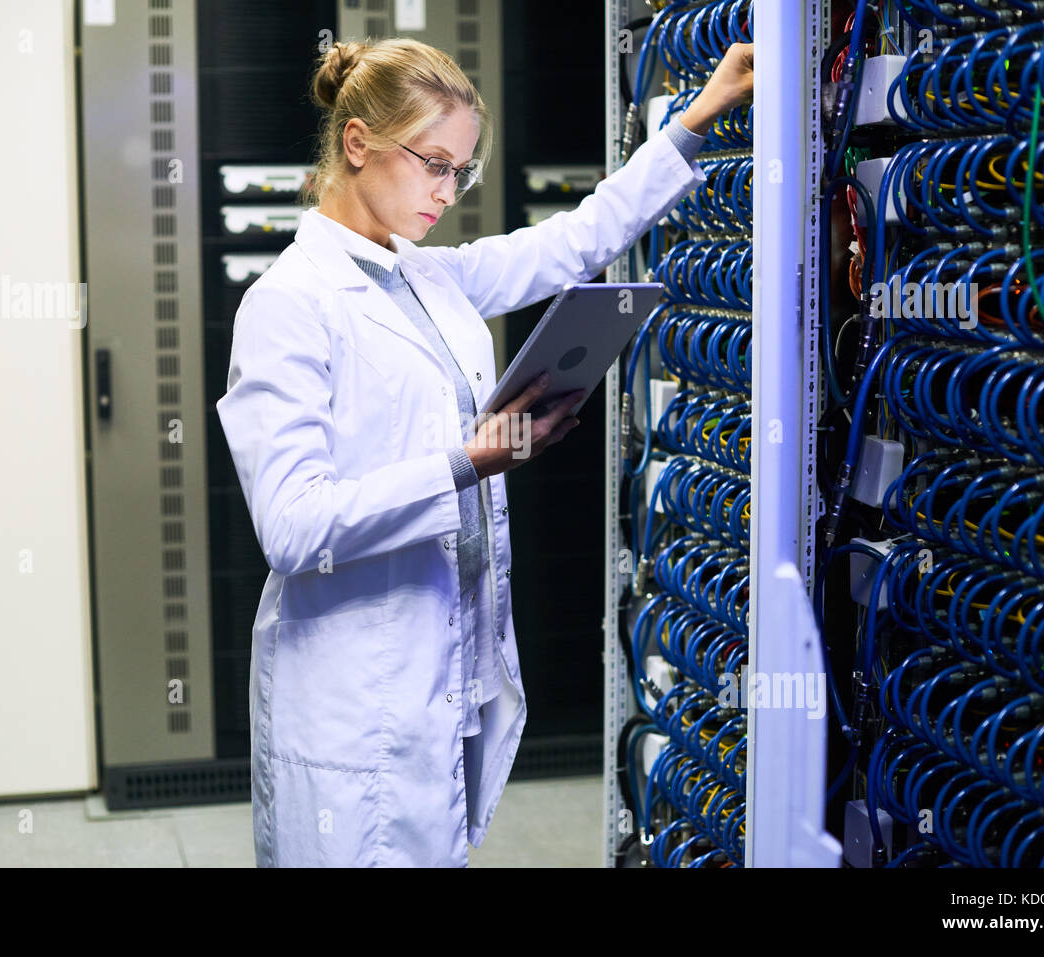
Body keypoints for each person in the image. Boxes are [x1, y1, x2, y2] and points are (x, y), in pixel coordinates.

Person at [216, 36, 754, 867]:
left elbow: (572, 242)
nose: (447, 192)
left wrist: (695, 121)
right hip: (353, 701)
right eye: (433, 163)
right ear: (357, 143)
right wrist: (467, 460)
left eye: (460, 171)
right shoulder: (289, 304)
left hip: (443, 677)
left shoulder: (426, 276)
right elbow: (292, 525)